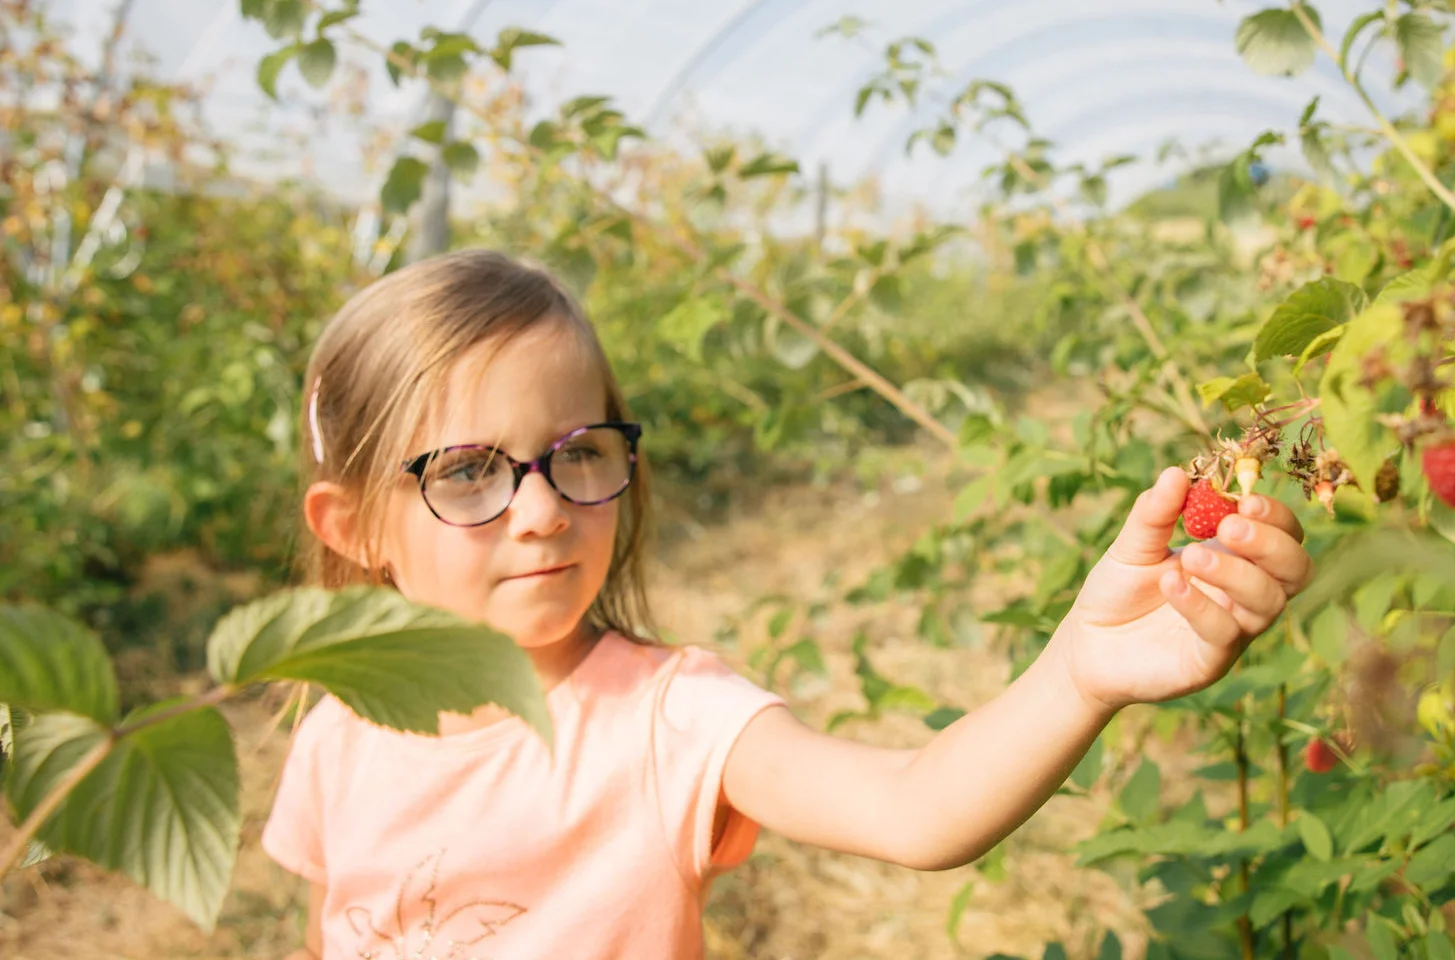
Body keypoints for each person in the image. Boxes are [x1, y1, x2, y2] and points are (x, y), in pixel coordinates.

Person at [265, 249, 1314, 959]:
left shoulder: (668, 723)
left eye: (576, 454)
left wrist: (1081, 672)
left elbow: (915, 810)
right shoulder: (337, 735)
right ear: (352, 526)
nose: (540, 512)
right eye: (468, 475)